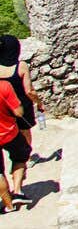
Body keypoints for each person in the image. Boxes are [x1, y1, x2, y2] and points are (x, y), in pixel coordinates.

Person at [0, 35, 37, 204]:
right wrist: (39, 102)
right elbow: (29, 90)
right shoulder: (20, 66)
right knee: (23, 145)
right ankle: (19, 181)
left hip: (4, 112)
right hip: (18, 108)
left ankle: (8, 202)